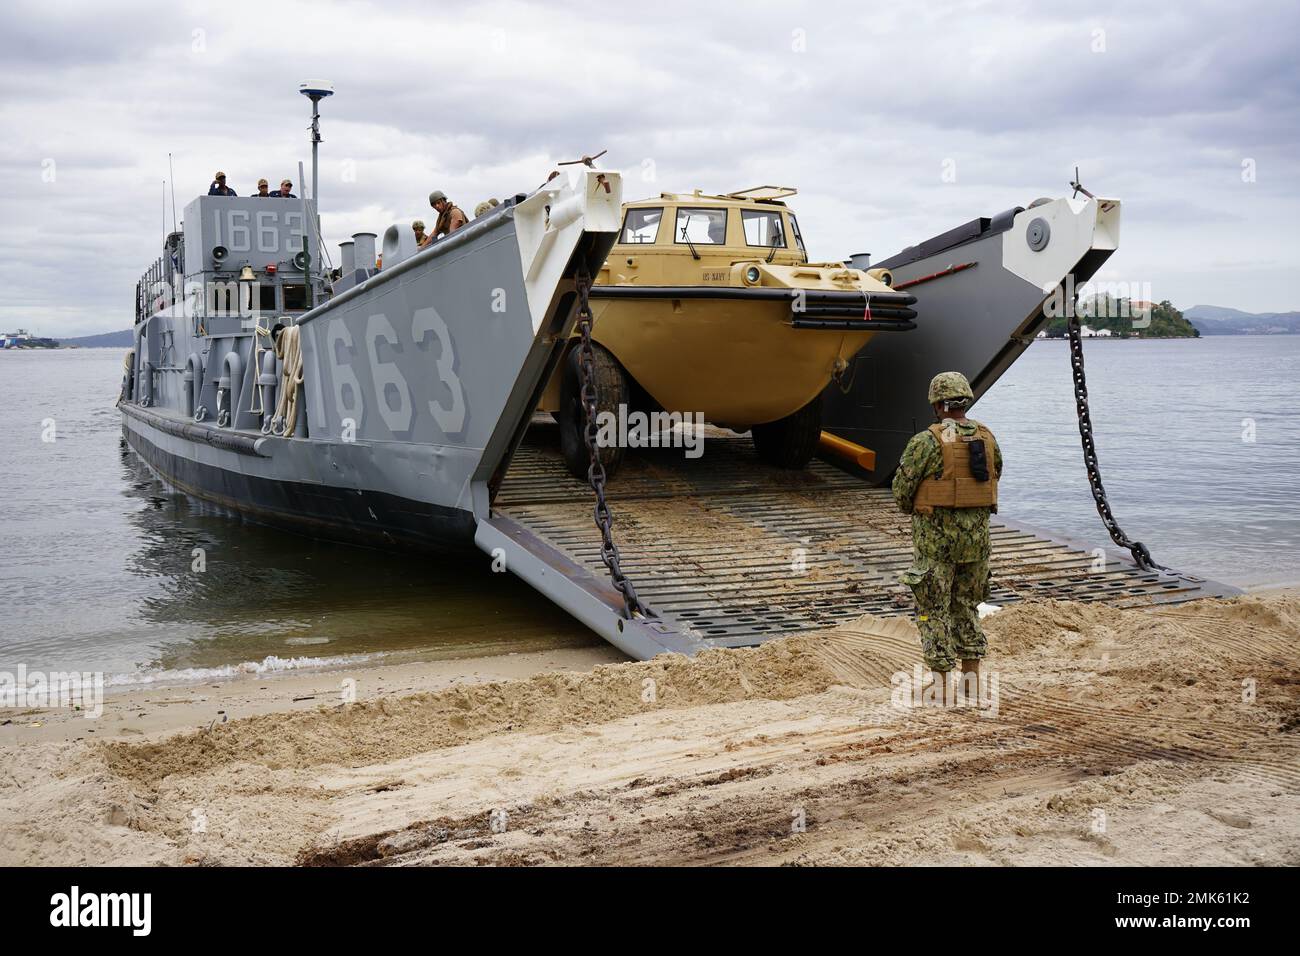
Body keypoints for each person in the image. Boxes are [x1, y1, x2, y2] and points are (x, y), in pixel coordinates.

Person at [891, 371, 1003, 705]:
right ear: (965, 400)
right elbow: (996, 473)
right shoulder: (986, 437)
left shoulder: (926, 442)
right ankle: (971, 683)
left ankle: (940, 687)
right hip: (977, 544)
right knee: (967, 606)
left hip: (936, 545)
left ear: (938, 404)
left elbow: (902, 490)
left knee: (932, 611)